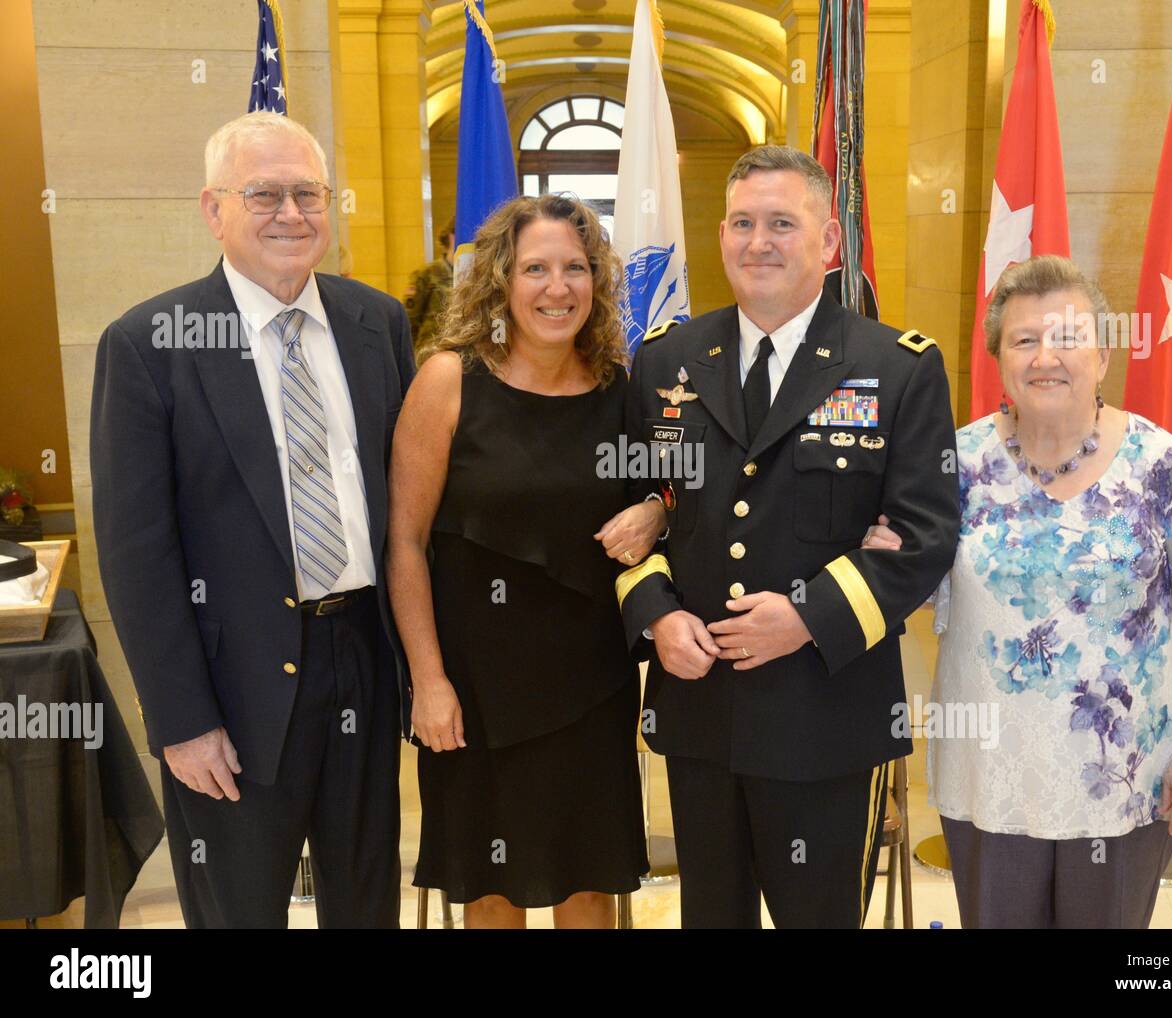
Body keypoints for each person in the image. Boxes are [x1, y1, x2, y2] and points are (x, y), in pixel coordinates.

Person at [615, 145, 960, 928]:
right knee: (712, 916)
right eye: (742, 222)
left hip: (824, 713)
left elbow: (923, 532)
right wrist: (657, 616)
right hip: (700, 706)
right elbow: (639, 508)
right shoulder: (668, 360)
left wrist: (809, 616)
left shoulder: (896, 368)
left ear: (830, 242)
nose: (758, 241)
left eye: (781, 223)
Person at [90, 111, 415, 928]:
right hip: (229, 685)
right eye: (264, 194)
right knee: (239, 911)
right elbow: (135, 555)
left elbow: (412, 503)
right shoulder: (148, 343)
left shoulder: (378, 323)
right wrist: (182, 720)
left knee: (367, 899)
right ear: (213, 209)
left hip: (365, 665)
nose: (292, 214)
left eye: (309, 192)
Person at [866, 255, 1172, 928]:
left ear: (1101, 355)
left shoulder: (1164, 468)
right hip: (993, 779)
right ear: (999, 360)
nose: (1046, 357)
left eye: (1067, 338)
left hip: (1124, 780)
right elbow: (906, 589)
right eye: (1025, 340)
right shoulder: (953, 466)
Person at [387, 193, 659, 929]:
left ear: (597, 282)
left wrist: (658, 510)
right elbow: (405, 544)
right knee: (492, 891)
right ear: (501, 279)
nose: (557, 287)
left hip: (590, 686)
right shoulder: (448, 382)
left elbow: (662, 499)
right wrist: (428, 680)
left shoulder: (617, 388)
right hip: (474, 692)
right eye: (535, 268)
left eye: (576, 268)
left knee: (589, 886)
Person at [405, 217, 455, 359]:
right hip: (430, 354)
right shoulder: (427, 274)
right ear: (451, 236)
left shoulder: (474, 273)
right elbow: (409, 320)